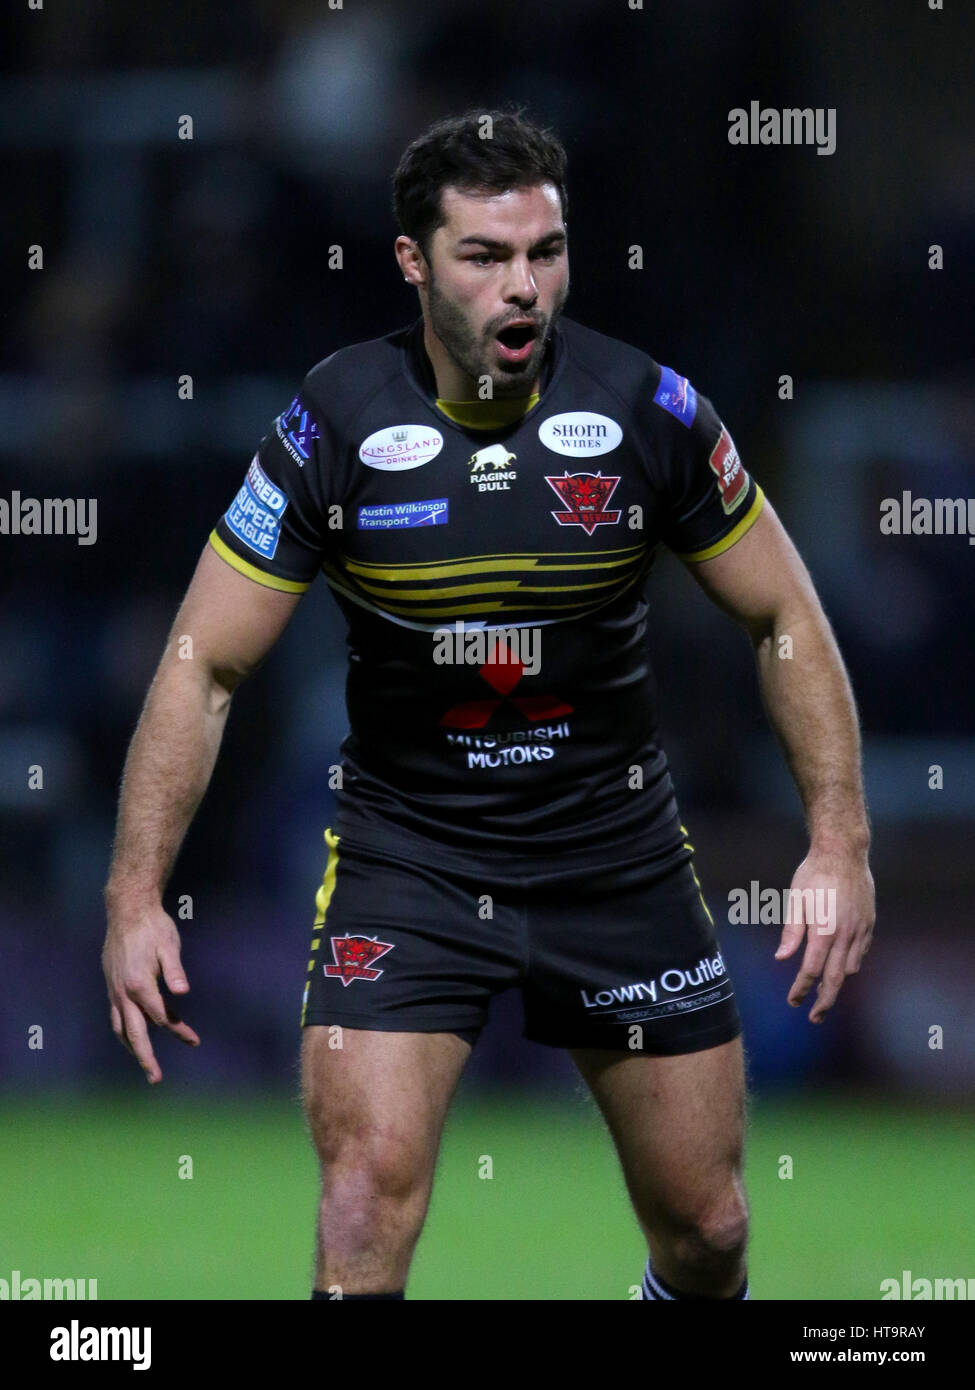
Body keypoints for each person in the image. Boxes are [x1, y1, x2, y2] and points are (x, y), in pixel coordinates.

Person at [102, 108, 875, 1302]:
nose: (524, 287)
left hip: (609, 855)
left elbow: (788, 617)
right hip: (408, 861)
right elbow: (204, 663)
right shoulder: (333, 422)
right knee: (363, 1201)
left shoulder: (651, 412)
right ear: (414, 261)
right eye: (485, 256)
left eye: (545, 253)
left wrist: (838, 839)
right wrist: (136, 890)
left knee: (710, 1231)